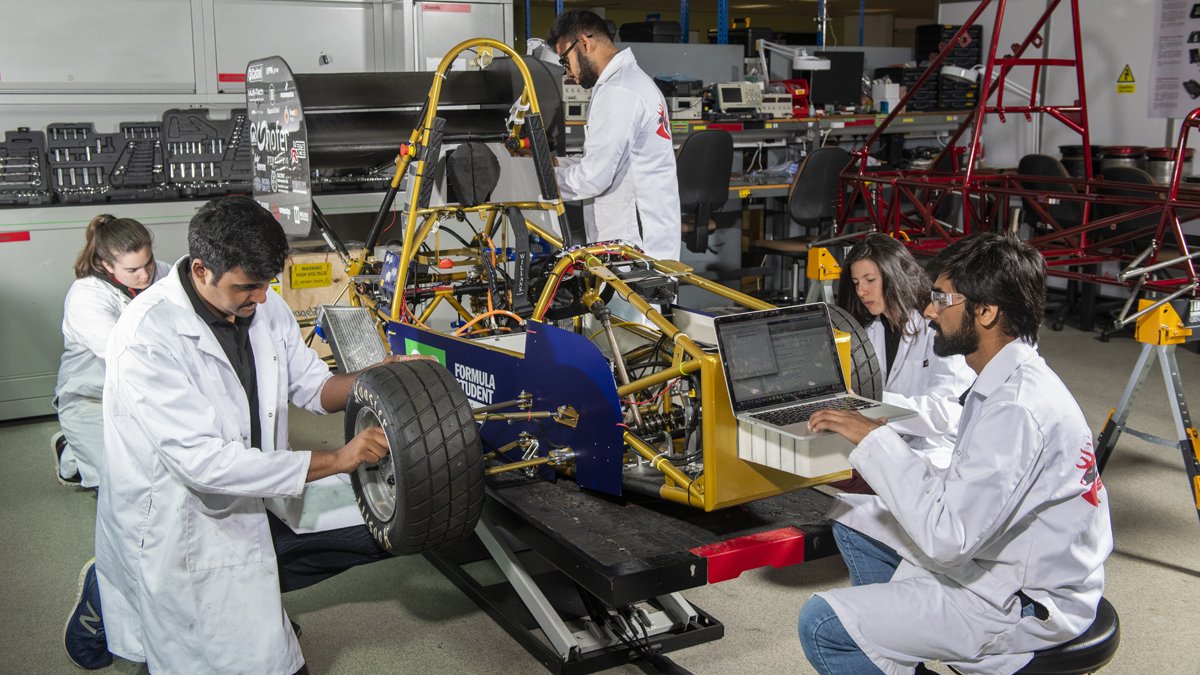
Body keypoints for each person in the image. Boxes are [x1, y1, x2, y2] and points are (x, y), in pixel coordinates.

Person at [79, 196, 420, 674]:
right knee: (204, 653)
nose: (260, 298)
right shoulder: (147, 338)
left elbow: (315, 387)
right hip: (184, 522)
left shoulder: (263, 304)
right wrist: (340, 459)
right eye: (247, 287)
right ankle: (106, 595)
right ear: (201, 270)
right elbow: (206, 466)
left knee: (382, 534)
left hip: (256, 488)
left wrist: (376, 378)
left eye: (265, 285)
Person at [800, 233, 1113, 674]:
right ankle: (892, 637)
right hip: (1008, 559)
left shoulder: (1016, 409)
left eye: (942, 299)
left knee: (823, 623)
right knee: (857, 518)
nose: (929, 310)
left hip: (1022, 600)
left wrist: (873, 439)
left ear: (986, 312)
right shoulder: (1007, 378)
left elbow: (950, 540)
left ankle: (885, 634)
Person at [549, 9, 681, 262]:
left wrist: (539, 181)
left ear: (584, 44)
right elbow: (611, 162)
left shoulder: (619, 91)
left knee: (632, 303)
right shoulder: (629, 81)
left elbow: (593, 178)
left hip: (633, 242)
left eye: (565, 60)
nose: (567, 72)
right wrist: (555, 164)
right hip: (642, 235)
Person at [836, 233, 974, 467]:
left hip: (938, 450)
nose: (861, 291)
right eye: (857, 283)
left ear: (894, 276)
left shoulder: (937, 327)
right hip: (891, 440)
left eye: (870, 280)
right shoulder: (872, 329)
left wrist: (868, 402)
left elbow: (944, 414)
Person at [52, 214, 170, 488]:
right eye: (133, 270)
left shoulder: (160, 273)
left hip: (146, 392)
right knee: (122, 484)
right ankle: (69, 448)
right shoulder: (86, 297)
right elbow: (126, 357)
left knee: (165, 471)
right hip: (93, 399)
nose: (145, 274)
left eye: (148, 262)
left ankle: (78, 451)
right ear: (106, 265)